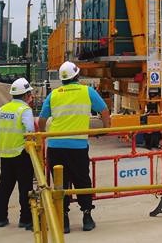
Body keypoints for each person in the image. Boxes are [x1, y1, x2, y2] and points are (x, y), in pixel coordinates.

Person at [38, 61, 111, 234]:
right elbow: (105, 111)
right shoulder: (87, 91)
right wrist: (106, 129)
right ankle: (87, 216)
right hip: (78, 146)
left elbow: (41, 120)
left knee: (60, 183)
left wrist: (44, 135)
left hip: (55, 145)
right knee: (82, 180)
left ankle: (63, 219)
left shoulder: (53, 95)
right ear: (77, 76)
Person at [0, 77, 36, 230]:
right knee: (25, 187)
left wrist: (0, 145)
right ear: (26, 95)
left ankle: (1, 218)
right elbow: (30, 130)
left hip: (5, 155)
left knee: (5, 186)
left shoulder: (3, 109)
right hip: (22, 153)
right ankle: (25, 219)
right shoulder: (25, 110)